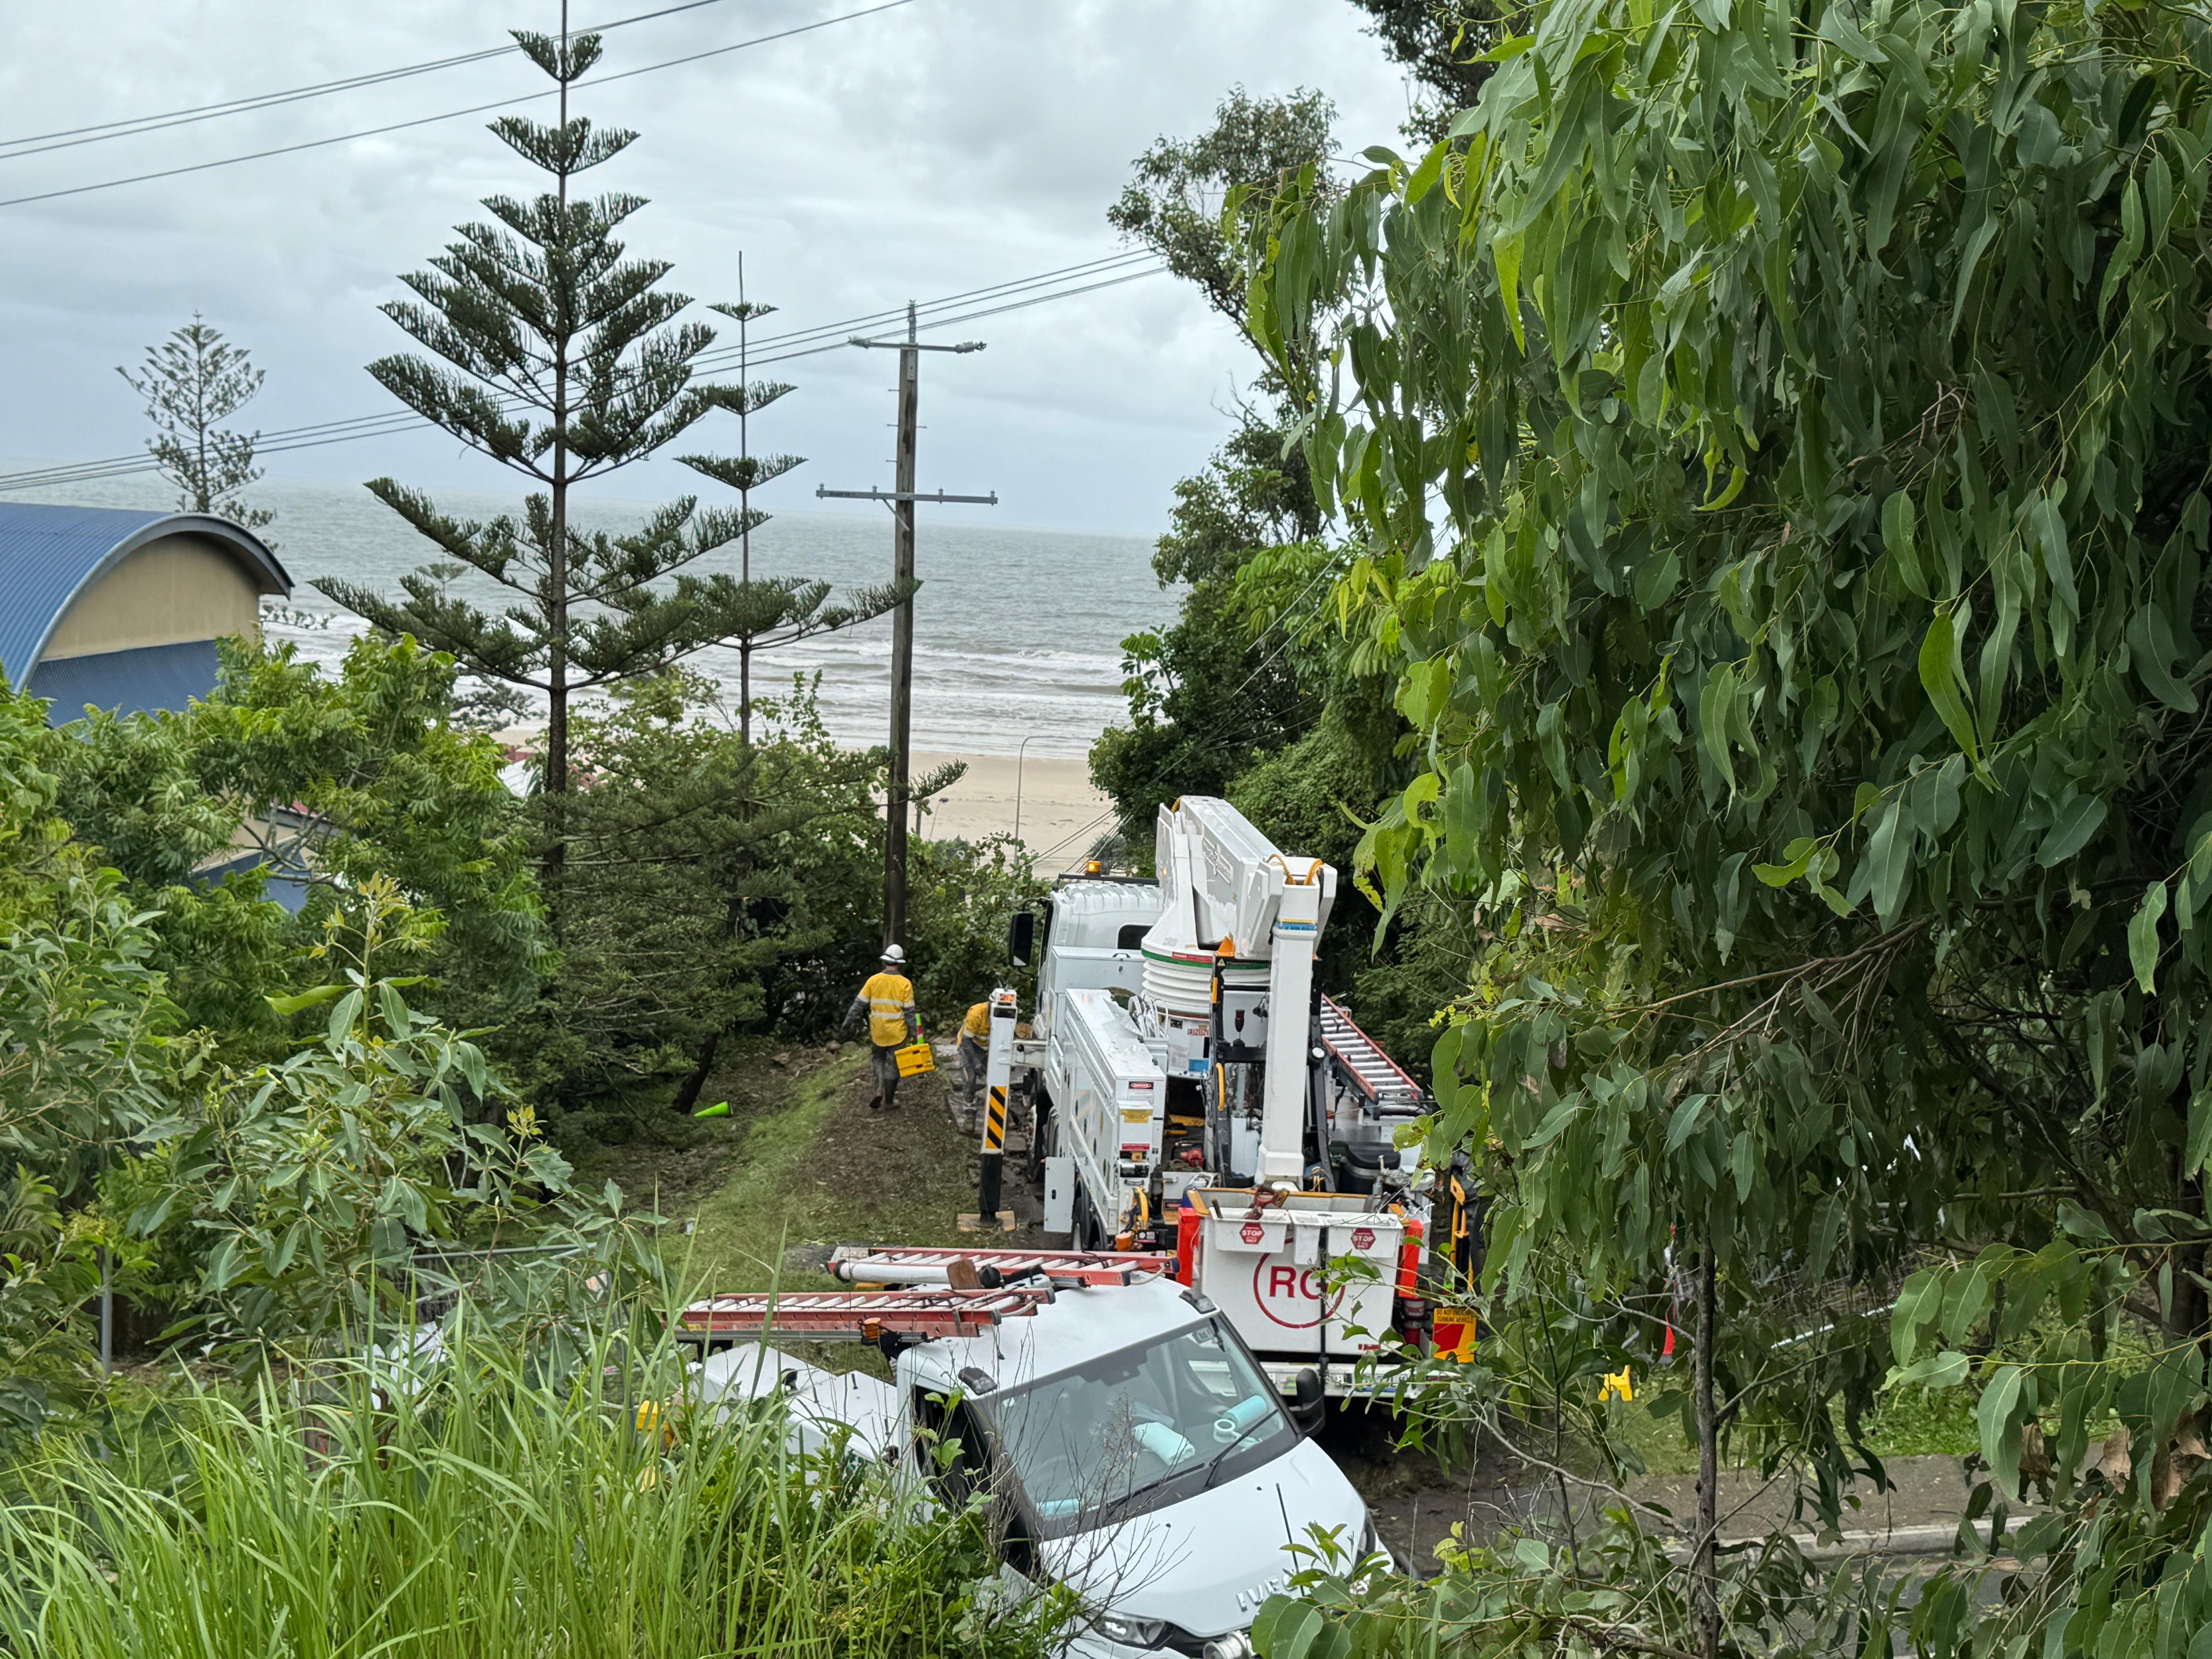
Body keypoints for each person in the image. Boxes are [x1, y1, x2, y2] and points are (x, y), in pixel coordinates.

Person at [842, 945, 919, 1111]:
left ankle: (879, 1088)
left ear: (885, 962)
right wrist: (915, 1034)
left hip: (878, 1031)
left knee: (878, 1059)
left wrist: (847, 1023)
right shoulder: (905, 984)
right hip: (898, 1034)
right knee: (893, 1065)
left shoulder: (873, 980)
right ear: (899, 963)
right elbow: (910, 1013)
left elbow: (858, 1005)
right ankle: (890, 1102)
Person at [956, 999, 991, 1131]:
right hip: (971, 1047)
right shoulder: (977, 1014)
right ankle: (970, 1114)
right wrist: (976, 1062)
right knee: (970, 1080)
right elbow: (966, 1042)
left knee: (1000, 1079)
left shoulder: (1007, 1016)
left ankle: (1000, 1111)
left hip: (991, 1049)